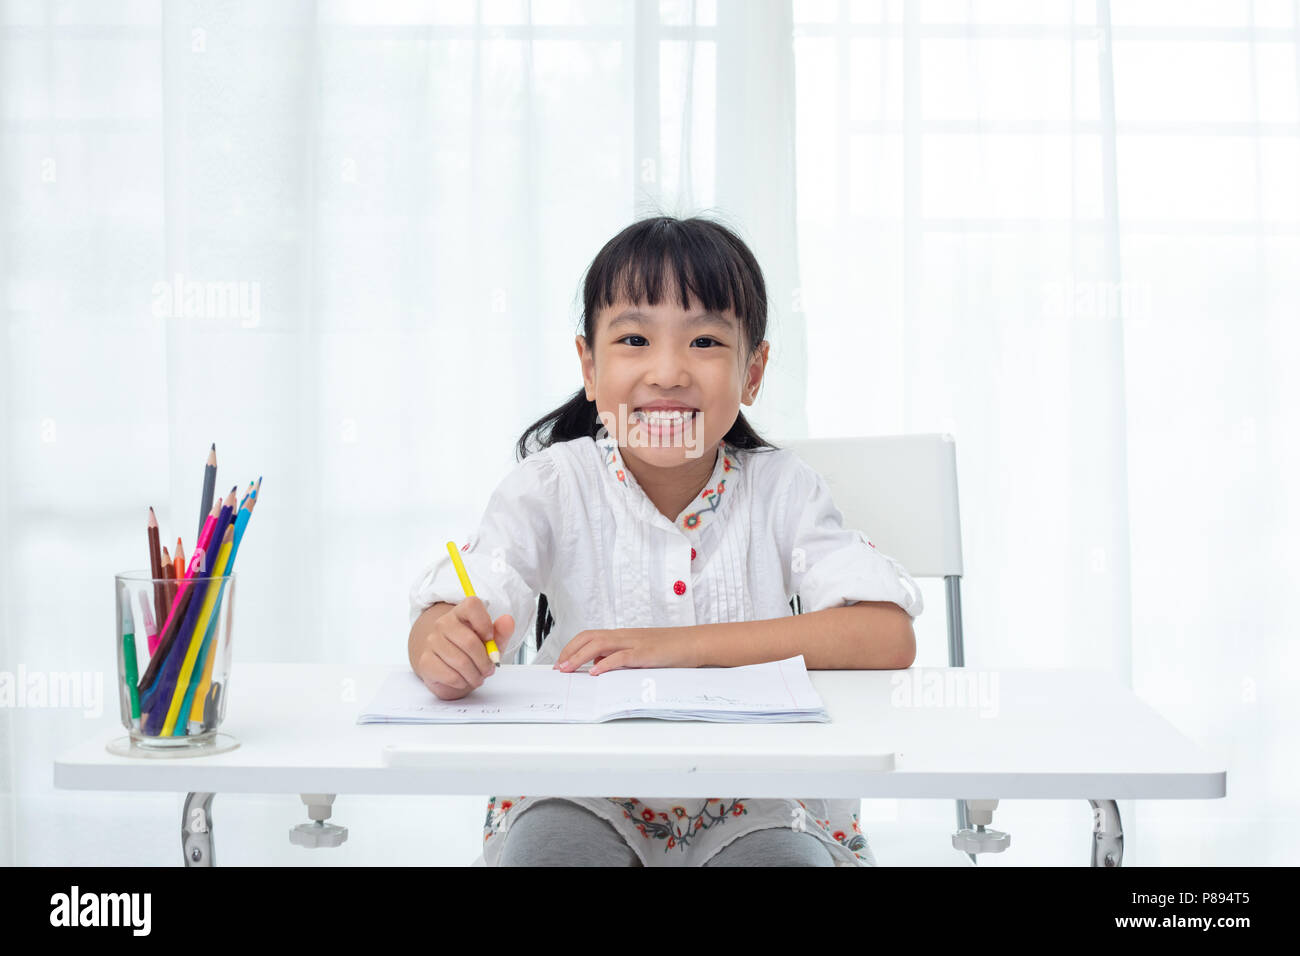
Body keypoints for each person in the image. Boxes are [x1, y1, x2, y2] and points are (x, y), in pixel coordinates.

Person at [408, 214, 923, 866]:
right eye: (633, 339)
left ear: (754, 371)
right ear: (589, 367)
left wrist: (679, 649)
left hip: (757, 799)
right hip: (582, 788)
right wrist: (439, 645)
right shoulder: (551, 486)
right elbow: (451, 611)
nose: (669, 371)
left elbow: (885, 636)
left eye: (705, 341)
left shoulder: (783, 490)